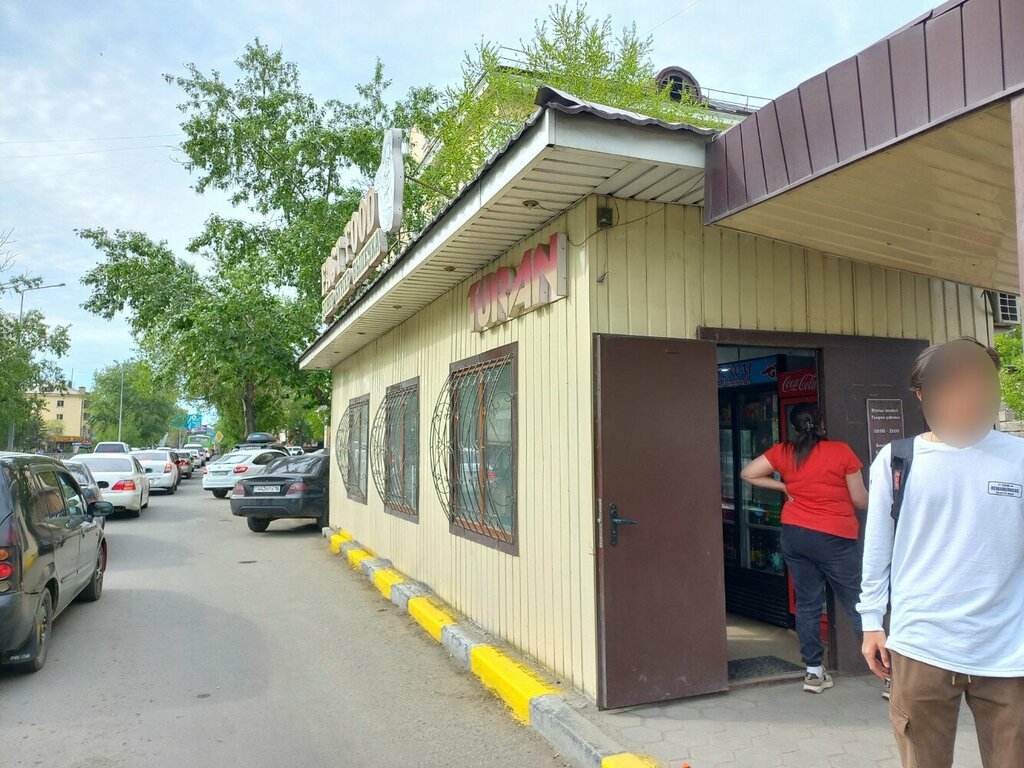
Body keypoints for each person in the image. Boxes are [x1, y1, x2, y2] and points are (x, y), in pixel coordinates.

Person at [858, 338, 1024, 768]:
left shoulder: (1019, 458)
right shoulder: (897, 460)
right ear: (922, 394)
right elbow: (878, 548)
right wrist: (872, 622)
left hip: (1008, 651)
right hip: (921, 645)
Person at [741, 402, 868, 693]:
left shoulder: (784, 451)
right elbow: (860, 500)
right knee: (859, 602)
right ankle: (890, 676)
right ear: (821, 421)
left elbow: (748, 473)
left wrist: (785, 487)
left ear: (793, 425)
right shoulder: (841, 451)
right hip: (834, 537)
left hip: (795, 535)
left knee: (808, 604)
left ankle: (813, 672)